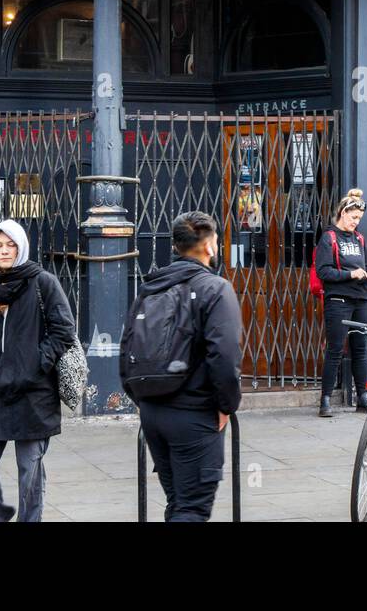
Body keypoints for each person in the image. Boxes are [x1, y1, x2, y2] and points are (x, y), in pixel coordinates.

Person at [0, 218, 77, 522]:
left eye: (10, 245)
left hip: (35, 394)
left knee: (29, 473)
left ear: (20, 247)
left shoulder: (42, 282)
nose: (4, 251)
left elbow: (64, 330)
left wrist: (38, 361)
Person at [132, 211, 242, 522]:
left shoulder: (151, 286)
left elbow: (129, 344)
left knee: (178, 503)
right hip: (195, 413)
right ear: (209, 246)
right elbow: (225, 355)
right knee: (192, 508)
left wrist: (141, 399)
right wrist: (226, 406)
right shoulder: (216, 289)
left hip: (153, 412)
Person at [316, 188, 367, 417]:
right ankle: (325, 399)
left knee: (360, 348)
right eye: (353, 217)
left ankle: (363, 396)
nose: (356, 222)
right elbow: (323, 272)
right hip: (338, 299)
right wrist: (350, 275)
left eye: (359, 219)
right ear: (343, 213)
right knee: (335, 349)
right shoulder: (329, 237)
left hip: (361, 299)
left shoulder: (359, 238)